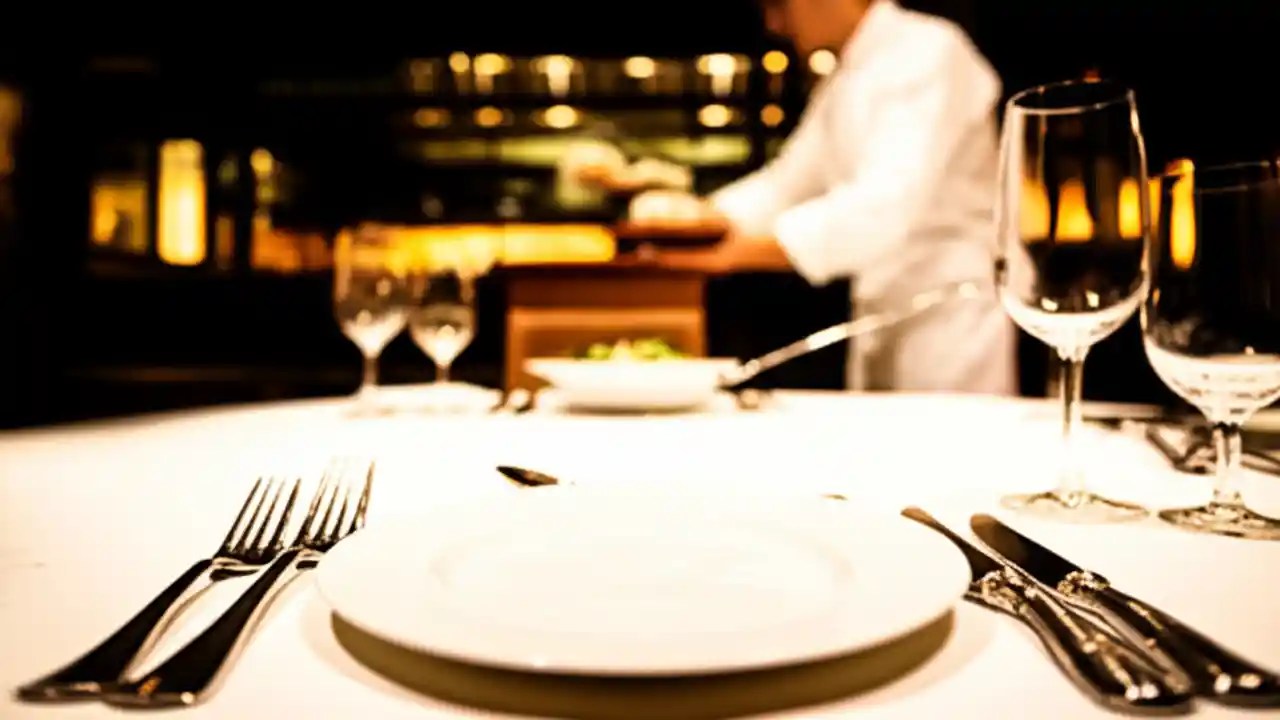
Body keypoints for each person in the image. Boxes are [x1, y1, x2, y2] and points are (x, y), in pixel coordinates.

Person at [643, 0, 1017, 394]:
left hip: (950, 313)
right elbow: (786, 184)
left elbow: (884, 206)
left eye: (779, 5)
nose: (775, 25)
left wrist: (738, 252)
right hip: (878, 303)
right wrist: (697, 218)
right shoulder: (847, 74)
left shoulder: (930, 51)